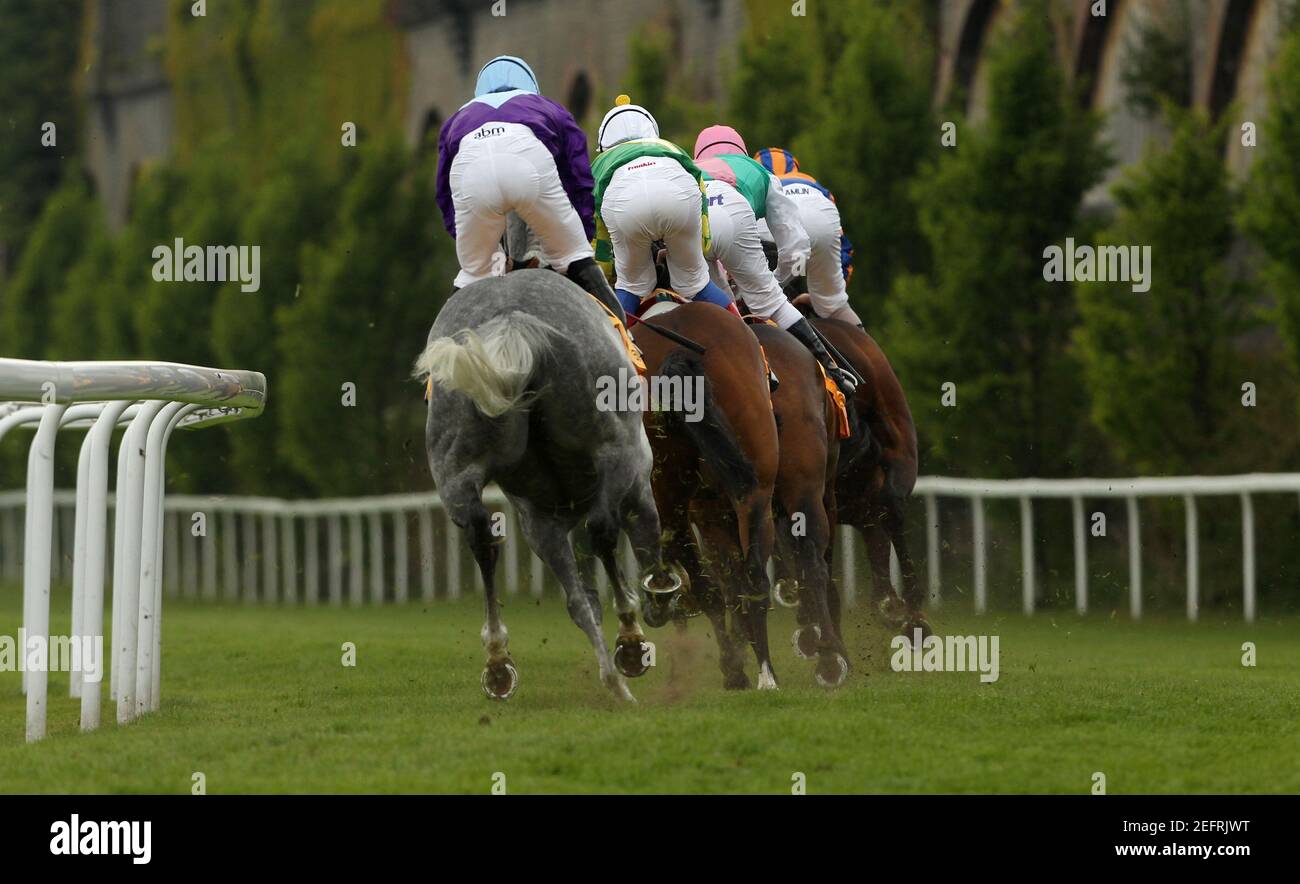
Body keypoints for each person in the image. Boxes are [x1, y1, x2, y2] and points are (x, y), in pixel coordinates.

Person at [435, 55, 626, 322]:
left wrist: (481, 251)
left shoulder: (456, 119)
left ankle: (439, 357)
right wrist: (580, 239)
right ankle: (625, 341)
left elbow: (445, 197)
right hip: (528, 166)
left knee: (471, 276)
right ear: (529, 86)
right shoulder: (548, 107)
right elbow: (579, 180)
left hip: (471, 176)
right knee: (575, 255)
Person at [694, 126, 856, 395]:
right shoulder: (760, 173)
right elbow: (796, 250)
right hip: (809, 227)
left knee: (699, 292)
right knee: (820, 302)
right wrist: (776, 284)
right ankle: (834, 370)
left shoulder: (687, 168)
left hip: (689, 226)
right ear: (743, 153)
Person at [590, 96, 735, 319]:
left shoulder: (602, 162)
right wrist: (702, 247)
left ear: (605, 144)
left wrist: (607, 274)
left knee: (631, 285)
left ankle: (611, 347)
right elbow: (701, 196)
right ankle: (747, 336)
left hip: (625, 205)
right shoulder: (669, 147)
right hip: (679, 197)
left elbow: (600, 235)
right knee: (695, 282)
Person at [753, 147, 863, 328]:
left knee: (750, 294)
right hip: (820, 218)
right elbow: (843, 248)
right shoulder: (812, 182)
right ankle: (868, 351)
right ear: (794, 168)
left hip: (773, 226)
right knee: (835, 305)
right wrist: (824, 296)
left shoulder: (759, 181)